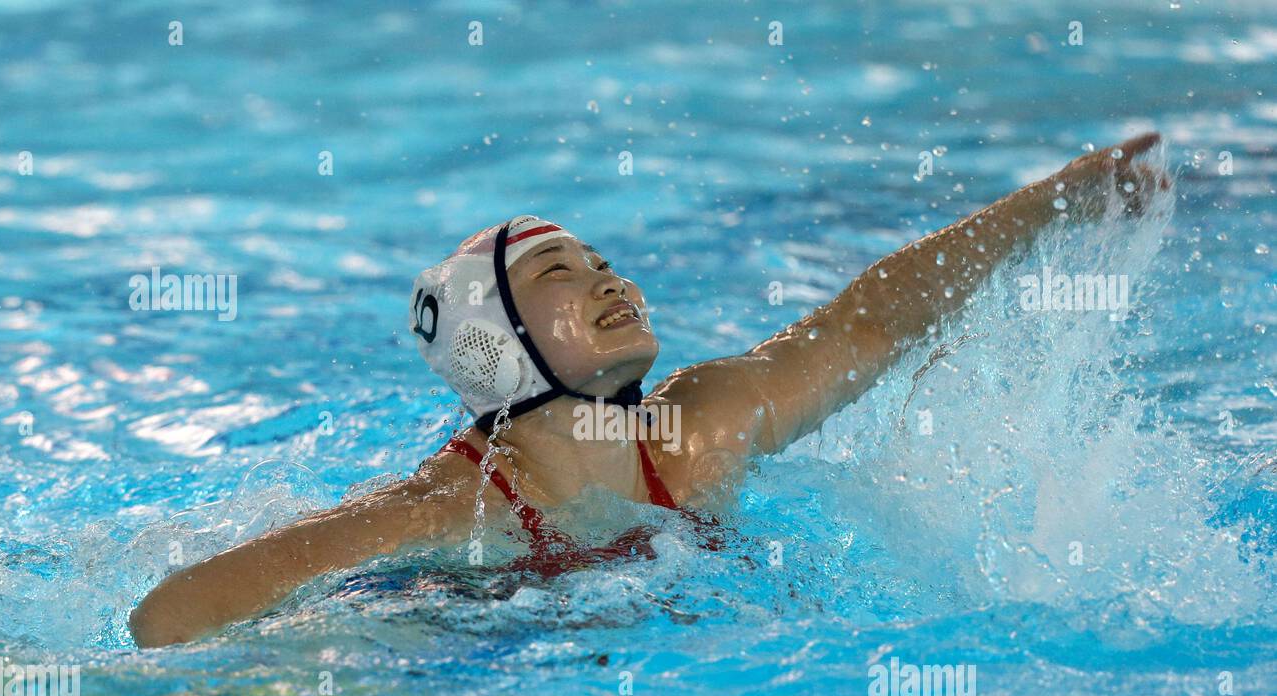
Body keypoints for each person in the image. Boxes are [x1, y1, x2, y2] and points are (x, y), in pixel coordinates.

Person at [129, 133, 1168, 647]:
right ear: (499, 353)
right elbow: (169, 615)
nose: (608, 280)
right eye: (559, 277)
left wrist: (1063, 197)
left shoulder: (700, 428)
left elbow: (871, 318)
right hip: (440, 640)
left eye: (600, 260)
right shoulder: (458, 507)